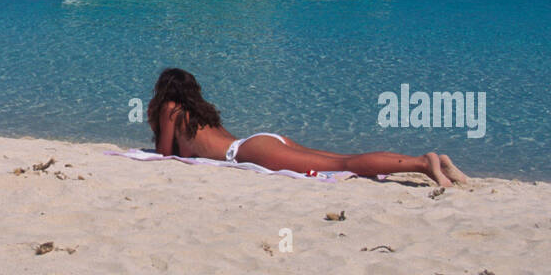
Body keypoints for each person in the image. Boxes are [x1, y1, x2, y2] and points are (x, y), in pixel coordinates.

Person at [146, 68, 467, 187]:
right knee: (342, 158)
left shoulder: (170, 109)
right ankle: (439, 163)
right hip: (260, 141)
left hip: (248, 151)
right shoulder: (199, 112)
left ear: (166, 92)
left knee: (345, 165)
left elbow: (163, 154)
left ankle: (423, 163)